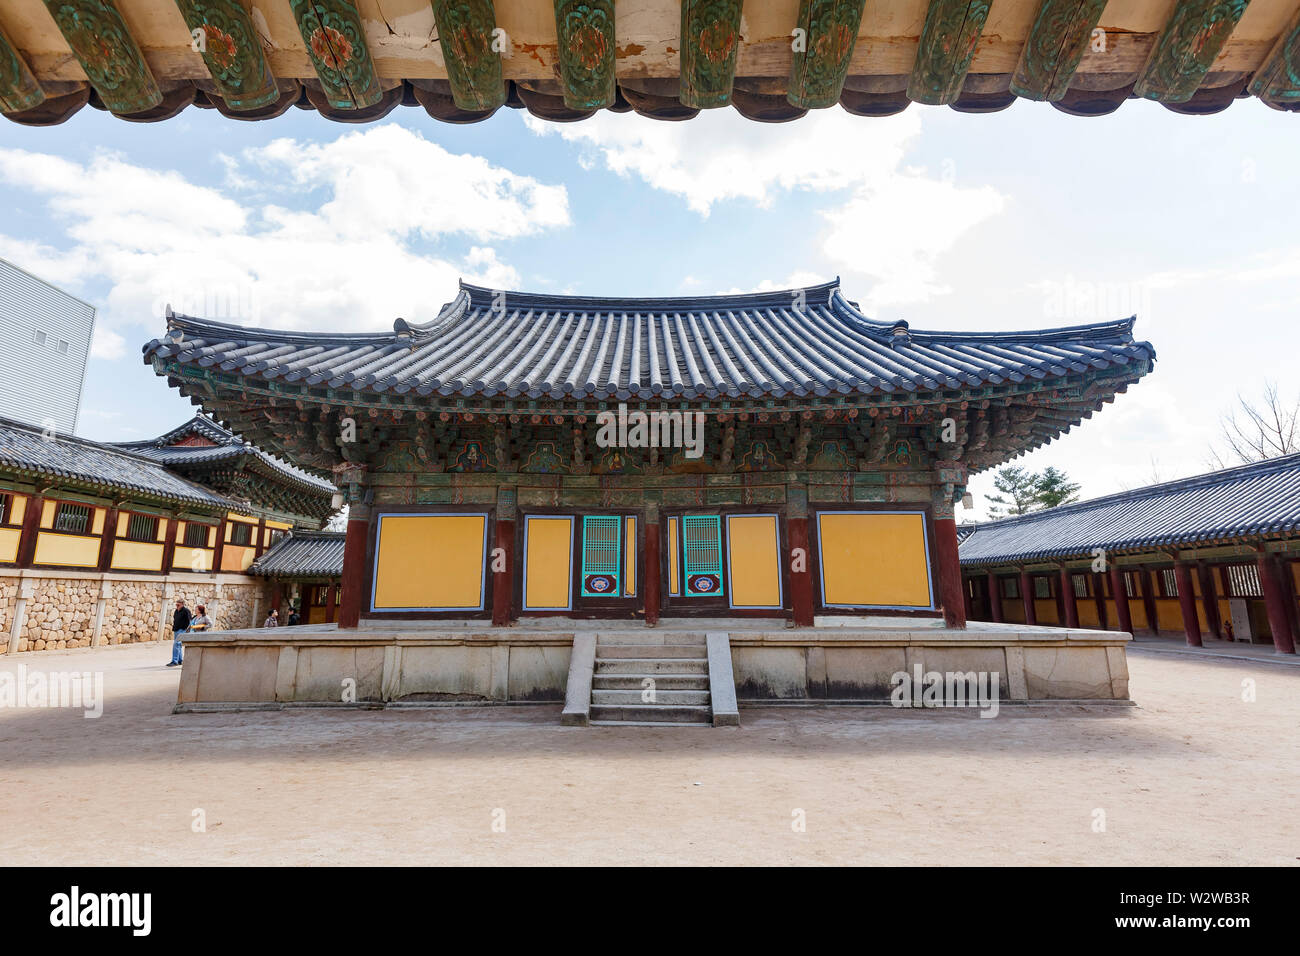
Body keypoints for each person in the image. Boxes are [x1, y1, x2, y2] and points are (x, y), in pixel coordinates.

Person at [167, 598, 191, 667]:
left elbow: (190, 621)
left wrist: (187, 630)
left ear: (182, 604)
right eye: (176, 604)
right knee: (178, 645)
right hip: (176, 630)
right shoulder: (176, 611)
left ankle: (174, 661)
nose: (177, 606)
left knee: (176, 645)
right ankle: (180, 660)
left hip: (182, 630)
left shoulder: (186, 611)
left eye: (178, 604)